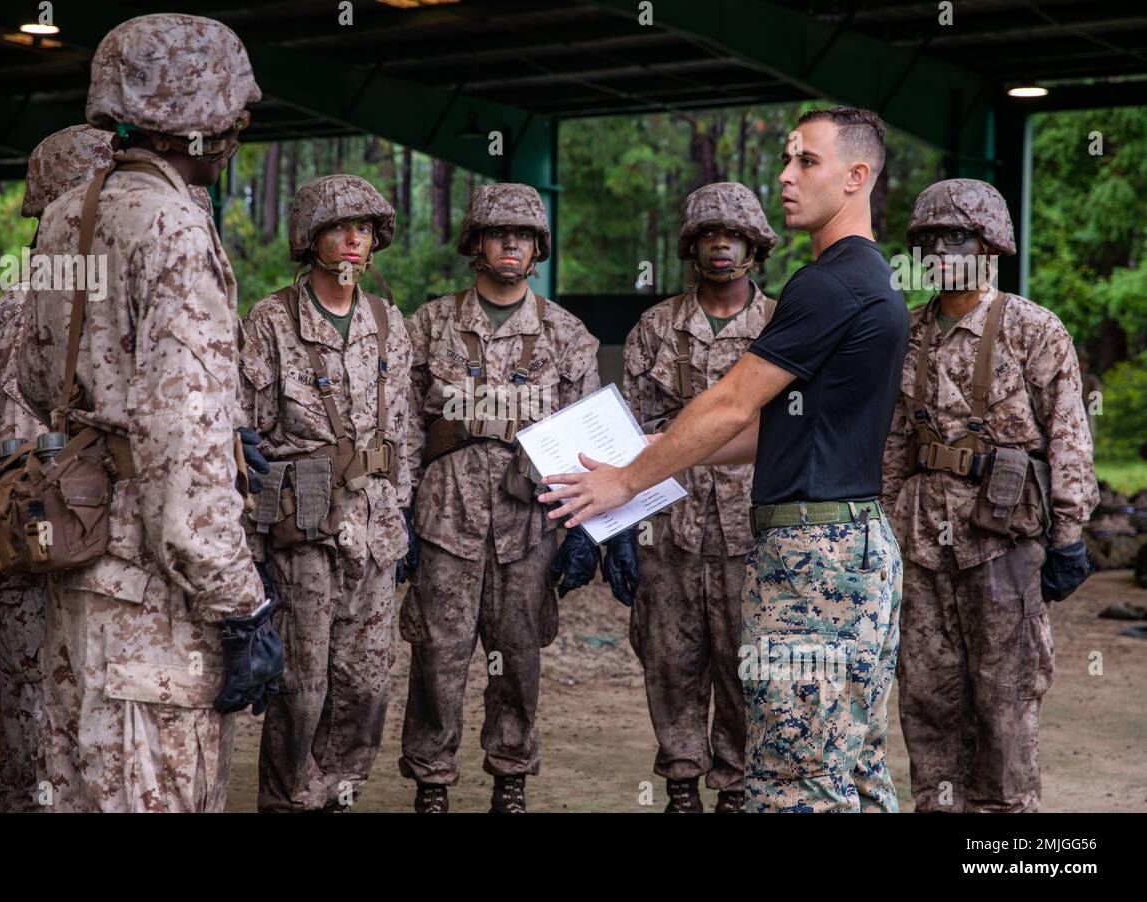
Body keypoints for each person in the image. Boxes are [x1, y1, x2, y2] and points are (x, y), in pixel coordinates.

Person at [540, 107, 909, 813]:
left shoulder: (824, 284)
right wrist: (659, 452)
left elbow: (735, 403)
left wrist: (624, 480)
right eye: (787, 159)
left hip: (812, 563)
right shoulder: (875, 281)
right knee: (852, 770)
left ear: (857, 176)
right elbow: (782, 428)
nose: (785, 176)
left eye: (807, 161)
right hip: (851, 548)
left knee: (796, 781)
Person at [16, 13, 281, 812]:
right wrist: (242, 606)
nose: (239, 128)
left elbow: (38, 382)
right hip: (155, 605)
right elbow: (184, 447)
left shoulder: (71, 214)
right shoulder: (173, 227)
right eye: (234, 114)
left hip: (82, 574)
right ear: (205, 120)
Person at [882, 178, 1097, 812]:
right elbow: (894, 442)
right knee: (927, 695)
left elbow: (1068, 434)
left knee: (1006, 701)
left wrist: (1068, 534)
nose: (941, 250)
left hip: (1002, 539)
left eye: (958, 237)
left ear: (990, 245)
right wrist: (885, 532)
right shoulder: (908, 334)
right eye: (929, 240)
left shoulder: (1034, 329)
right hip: (921, 544)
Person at [398, 183, 606, 813]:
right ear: (476, 243)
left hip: (529, 526)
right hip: (444, 520)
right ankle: (432, 782)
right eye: (498, 233)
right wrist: (399, 513)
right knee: (438, 654)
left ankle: (509, 778)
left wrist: (589, 531)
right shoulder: (427, 325)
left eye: (523, 235)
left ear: (537, 246)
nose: (511, 243)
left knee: (517, 656)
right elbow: (403, 425)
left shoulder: (568, 336)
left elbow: (592, 438)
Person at [239, 174, 411, 813]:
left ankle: (340, 794)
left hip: (377, 521)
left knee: (365, 683)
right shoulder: (271, 320)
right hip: (304, 517)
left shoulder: (386, 319)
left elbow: (406, 430)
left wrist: (406, 506)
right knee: (302, 686)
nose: (352, 240)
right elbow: (245, 439)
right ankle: (286, 799)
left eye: (363, 229)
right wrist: (254, 543)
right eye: (340, 228)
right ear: (311, 238)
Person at [621, 181, 777, 813]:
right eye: (709, 235)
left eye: (734, 236)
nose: (721, 246)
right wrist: (619, 534)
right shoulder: (657, 327)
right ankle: (682, 784)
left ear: (753, 247)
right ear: (691, 247)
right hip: (669, 528)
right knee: (670, 660)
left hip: (758, 530)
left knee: (749, 663)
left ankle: (735, 788)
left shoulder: (781, 325)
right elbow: (627, 434)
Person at [0, 124, 113, 812]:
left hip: (72, 562)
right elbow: (13, 473)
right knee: (34, 763)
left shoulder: (81, 300)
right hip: (34, 569)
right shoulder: (29, 306)